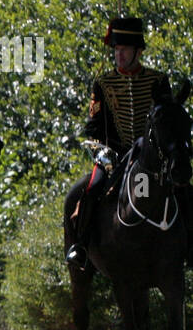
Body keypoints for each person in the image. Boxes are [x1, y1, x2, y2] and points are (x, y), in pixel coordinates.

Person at [65, 17, 175, 268]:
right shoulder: (103, 83)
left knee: (182, 185)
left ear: (138, 51)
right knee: (91, 188)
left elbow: (167, 121)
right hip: (114, 157)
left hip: (152, 155)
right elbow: (92, 127)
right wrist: (100, 153)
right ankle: (80, 246)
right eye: (116, 50)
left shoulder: (158, 80)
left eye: (123, 49)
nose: (119, 54)